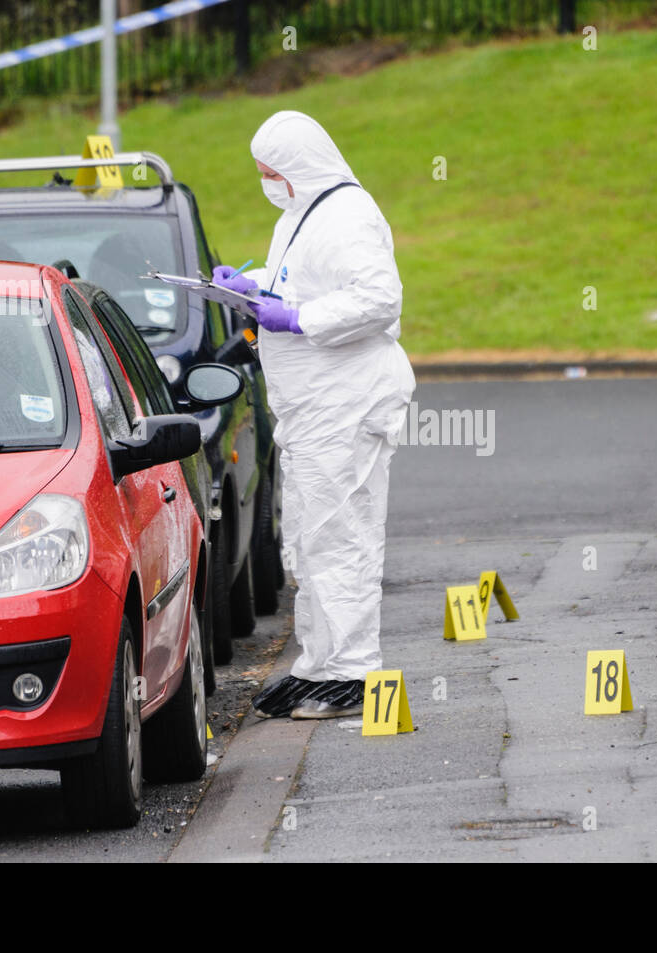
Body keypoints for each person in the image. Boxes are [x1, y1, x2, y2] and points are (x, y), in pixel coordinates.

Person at [213, 110, 416, 720]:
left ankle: (354, 675)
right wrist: (250, 287)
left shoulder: (348, 214)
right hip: (314, 410)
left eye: (271, 171)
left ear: (297, 166)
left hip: (347, 405)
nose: (267, 181)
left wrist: (295, 319)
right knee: (308, 539)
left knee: (341, 540)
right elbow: (298, 281)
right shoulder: (300, 215)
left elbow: (379, 298)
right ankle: (318, 666)